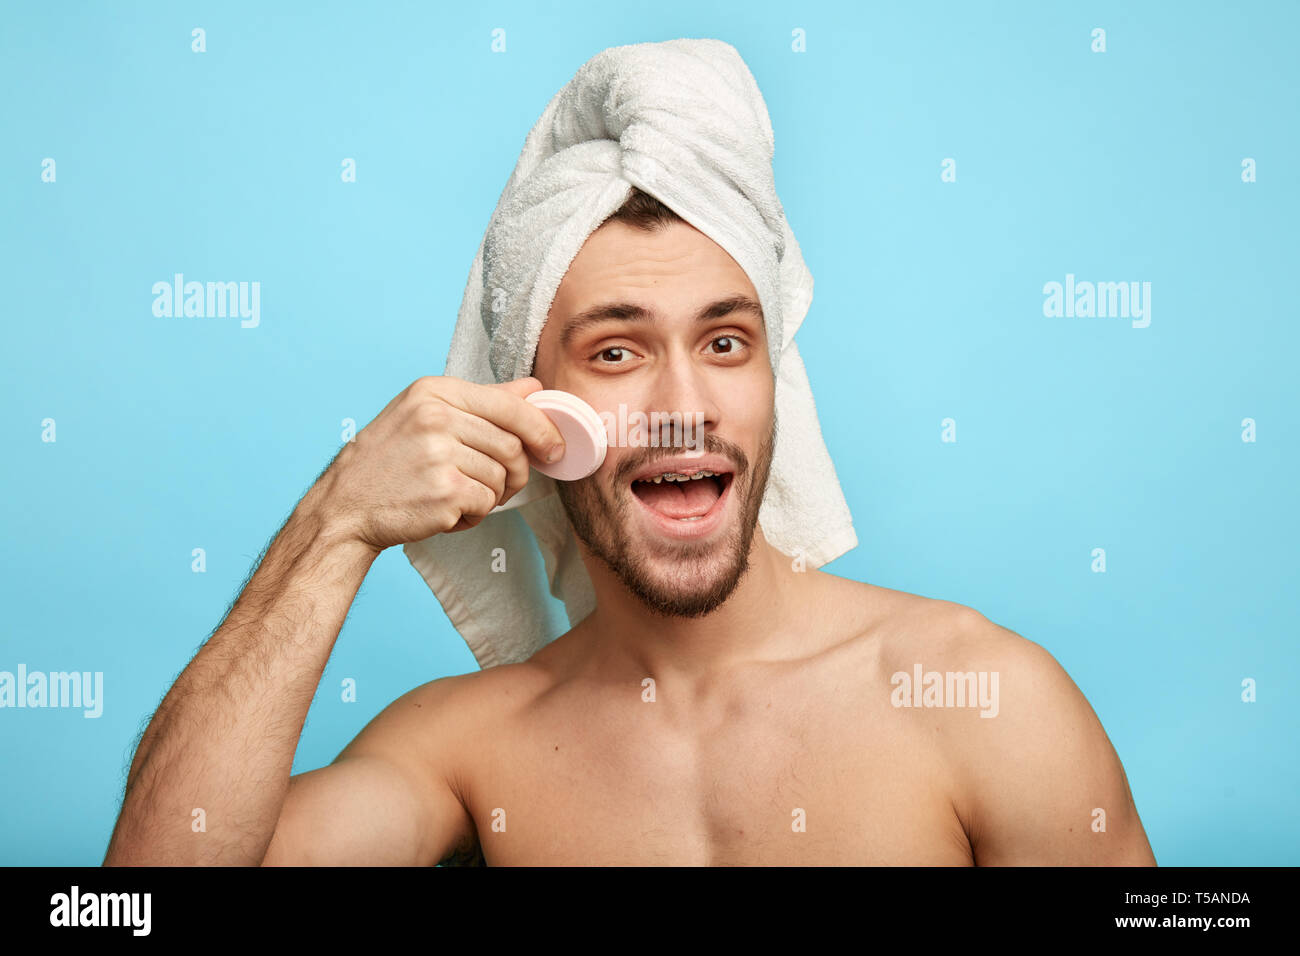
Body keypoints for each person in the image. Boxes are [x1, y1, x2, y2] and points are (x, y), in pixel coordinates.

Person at [102, 187, 1155, 866]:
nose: (683, 403)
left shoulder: (983, 698)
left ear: (776, 384)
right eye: (615, 352)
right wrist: (331, 527)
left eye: (728, 342)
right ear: (531, 412)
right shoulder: (467, 747)